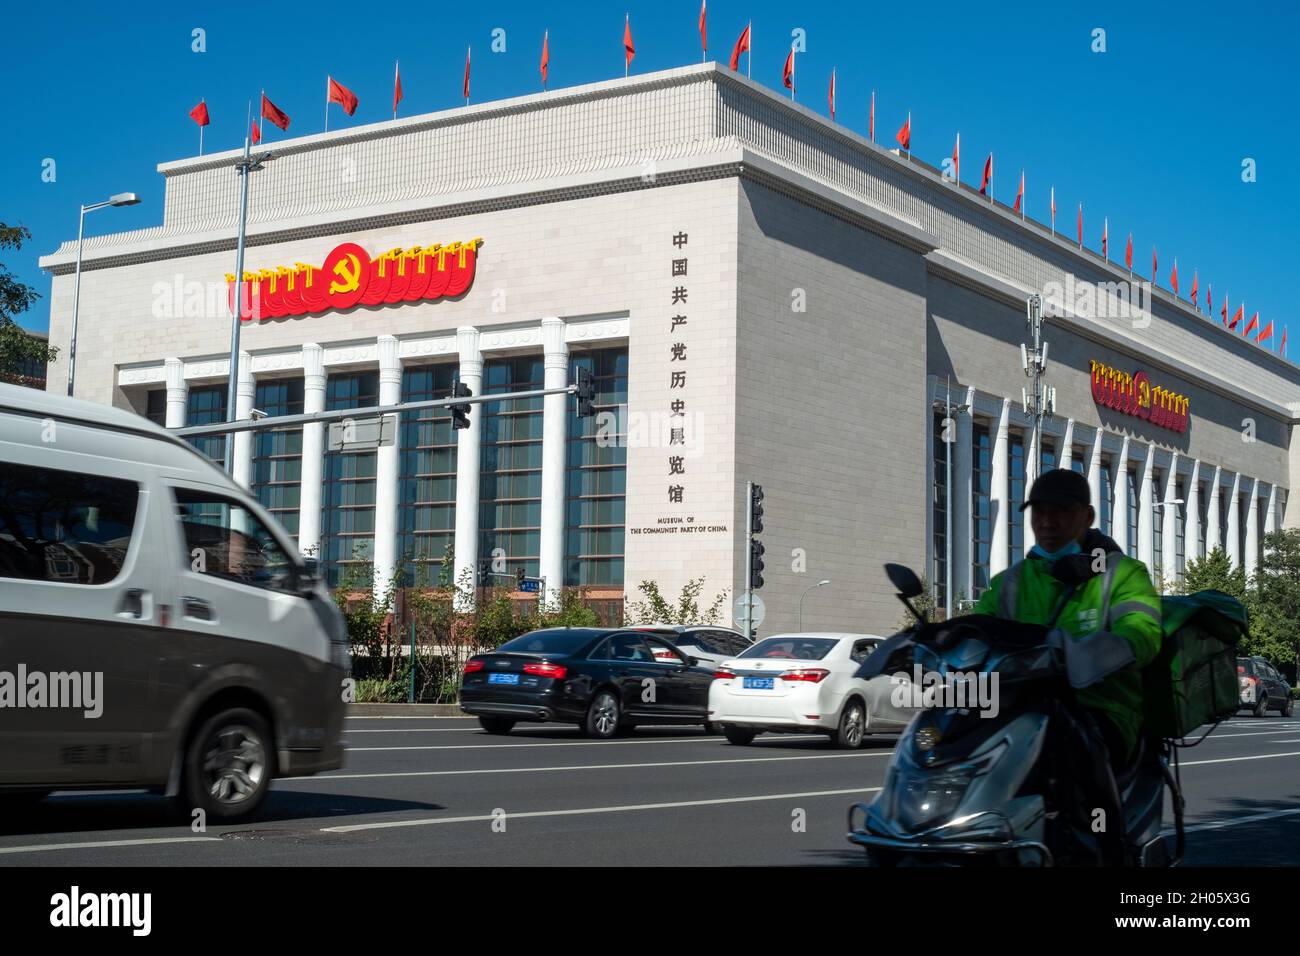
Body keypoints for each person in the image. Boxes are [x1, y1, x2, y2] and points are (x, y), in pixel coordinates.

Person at [973, 468, 1162, 864]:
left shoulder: (1121, 574)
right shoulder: (1010, 581)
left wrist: (1091, 652)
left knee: (1069, 744)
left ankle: (1110, 854)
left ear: (1088, 516)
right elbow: (977, 632)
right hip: (1019, 710)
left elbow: (1143, 633)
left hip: (1101, 710)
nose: (1047, 521)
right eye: (1038, 511)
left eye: (1060, 510)